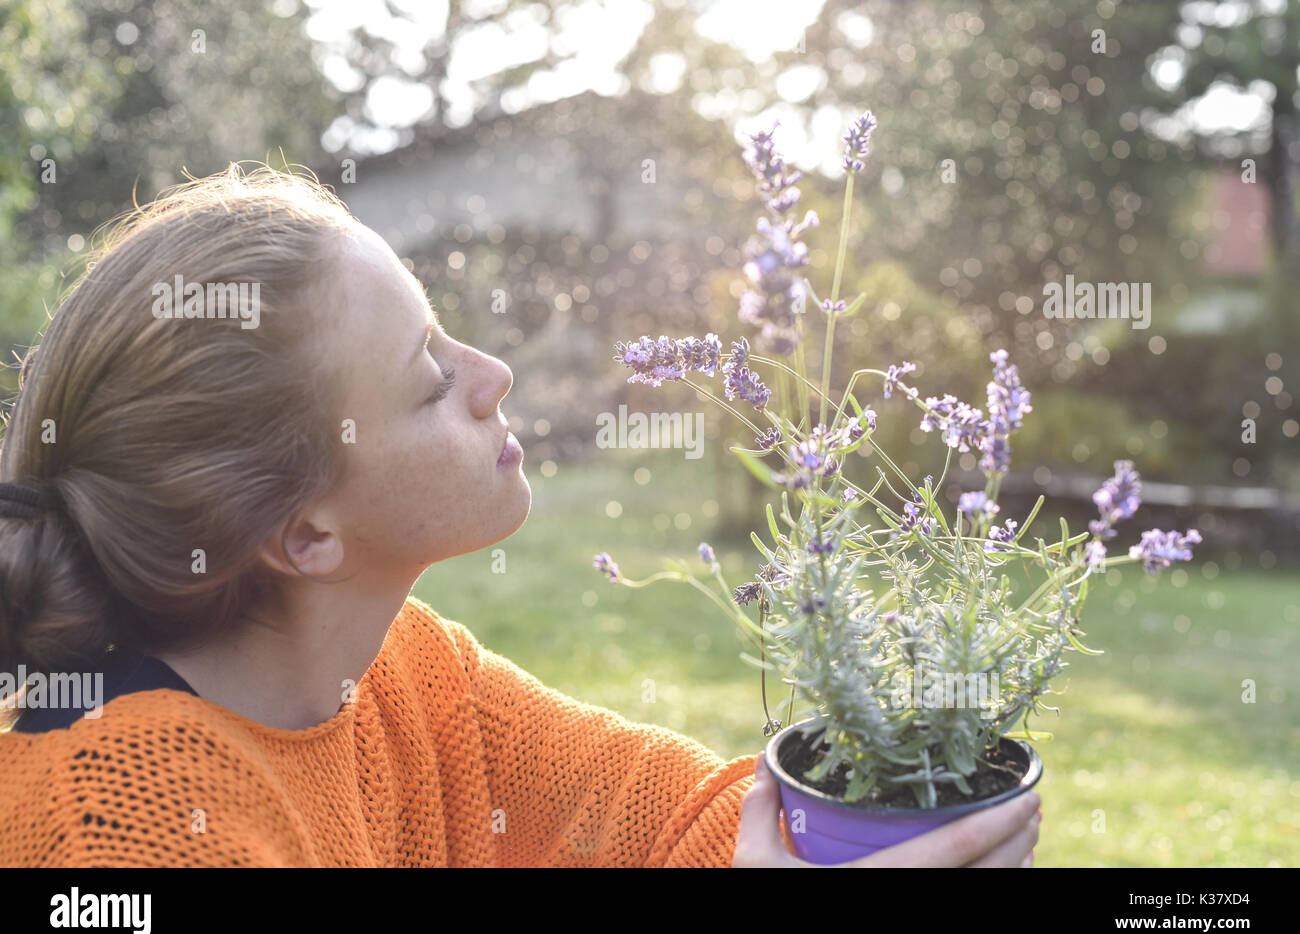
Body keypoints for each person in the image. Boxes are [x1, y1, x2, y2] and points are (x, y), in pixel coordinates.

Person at [0, 164, 1039, 867]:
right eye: (426, 377)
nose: (492, 376)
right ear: (304, 534)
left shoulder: (403, 676)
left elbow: (677, 826)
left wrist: (893, 813)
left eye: (449, 335)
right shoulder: (117, 822)